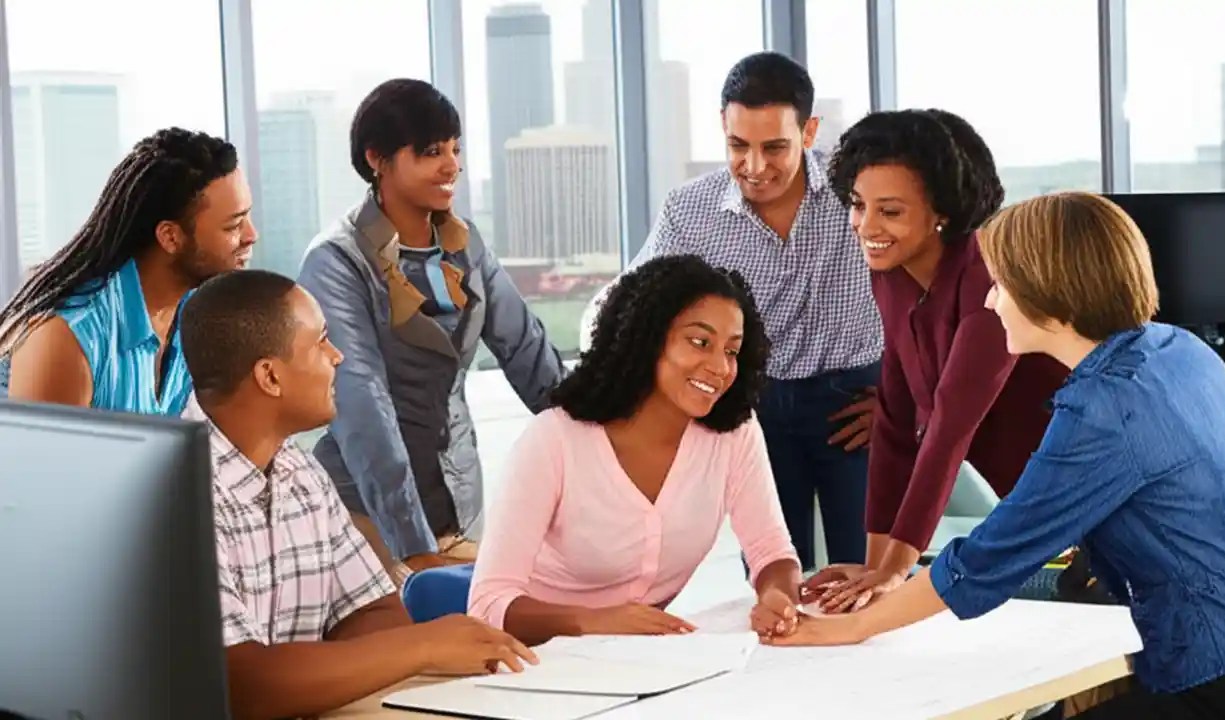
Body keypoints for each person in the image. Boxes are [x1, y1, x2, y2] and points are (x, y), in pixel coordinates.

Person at [772, 192, 1225, 720]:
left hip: (1210, 677)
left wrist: (849, 627)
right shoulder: (1177, 349)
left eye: (1001, 284)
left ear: (1051, 291)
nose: (990, 303)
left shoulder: (1106, 407)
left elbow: (992, 556)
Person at [180, 269, 537, 720]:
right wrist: (423, 646)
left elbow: (375, 611)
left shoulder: (303, 472)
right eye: (321, 342)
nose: (338, 356)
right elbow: (243, 686)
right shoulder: (180, 493)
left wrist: (336, 670)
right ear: (270, 376)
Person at [579, 52, 883, 570]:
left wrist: (906, 400)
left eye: (774, 147)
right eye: (738, 145)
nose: (755, 167)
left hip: (855, 403)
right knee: (774, 572)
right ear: (723, 125)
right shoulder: (689, 212)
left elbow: (928, 295)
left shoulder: (856, 192)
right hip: (752, 407)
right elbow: (626, 301)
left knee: (869, 572)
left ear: (808, 132)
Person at [800, 109, 1069, 611]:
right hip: (1026, 494)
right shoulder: (891, 275)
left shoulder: (987, 276)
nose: (866, 226)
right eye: (859, 205)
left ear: (941, 211)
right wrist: (875, 565)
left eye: (891, 211)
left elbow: (949, 426)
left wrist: (897, 567)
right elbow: (898, 424)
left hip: (1078, 481)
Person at [297, 79, 564, 582]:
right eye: (430, 151)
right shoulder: (336, 260)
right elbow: (362, 407)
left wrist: (596, 442)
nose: (452, 166)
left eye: (455, 149)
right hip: (367, 511)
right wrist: (413, 546)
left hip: (460, 501)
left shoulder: (465, 243)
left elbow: (526, 349)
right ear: (377, 158)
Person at [466, 255, 802, 646]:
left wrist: (776, 595)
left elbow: (772, 551)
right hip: (538, 660)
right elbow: (489, 605)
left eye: (731, 351)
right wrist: (595, 622)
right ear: (647, 338)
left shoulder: (733, 434)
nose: (720, 367)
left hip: (641, 660)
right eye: (700, 342)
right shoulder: (554, 440)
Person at [0, 128, 254, 414]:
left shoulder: (190, 318)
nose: (251, 235)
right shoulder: (67, 335)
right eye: (233, 226)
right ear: (170, 237)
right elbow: (39, 458)